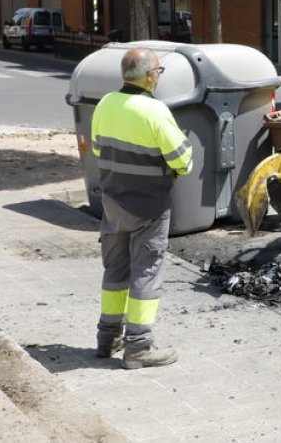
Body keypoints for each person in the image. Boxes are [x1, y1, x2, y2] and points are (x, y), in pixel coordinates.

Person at [90, 47, 192, 369]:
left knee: (115, 271)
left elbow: (96, 148)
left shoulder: (105, 104)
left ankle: (107, 338)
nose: (158, 78)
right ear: (149, 76)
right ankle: (138, 346)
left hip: (112, 203)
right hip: (148, 207)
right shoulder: (155, 111)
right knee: (146, 272)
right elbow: (183, 160)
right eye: (159, 72)